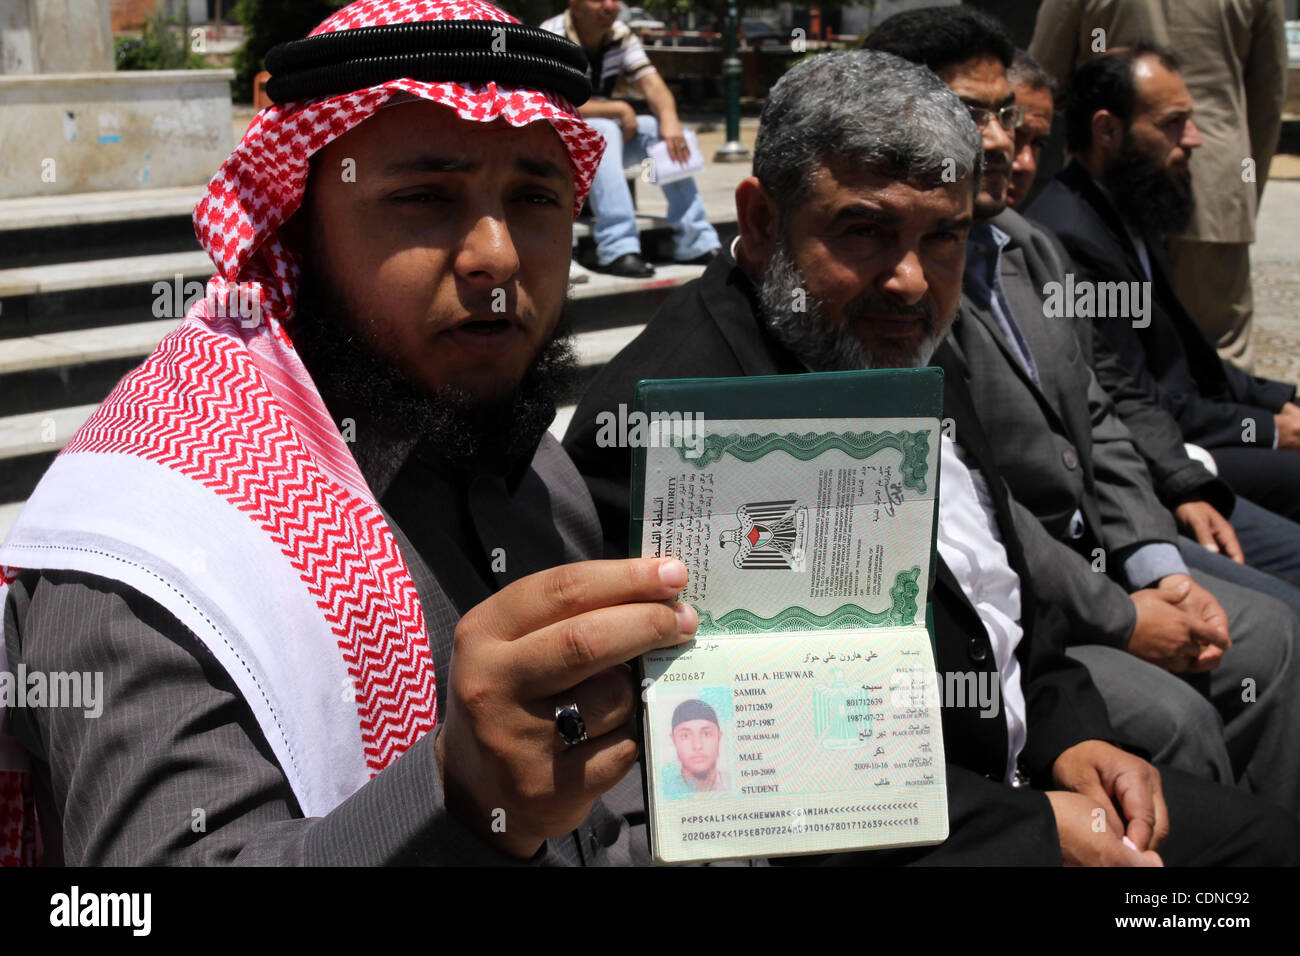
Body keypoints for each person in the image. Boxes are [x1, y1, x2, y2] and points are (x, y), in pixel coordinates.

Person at [0, 0, 706, 866]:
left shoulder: (537, 471)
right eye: (423, 197)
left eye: (534, 197)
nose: (498, 257)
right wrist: (450, 796)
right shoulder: (156, 545)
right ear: (299, 219)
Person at [565, 48, 1300, 865]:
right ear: (764, 220)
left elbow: (1005, 589)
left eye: (944, 237)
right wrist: (1039, 833)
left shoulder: (886, 338)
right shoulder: (676, 419)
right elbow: (751, 765)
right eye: (866, 231)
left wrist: (1073, 736)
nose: (911, 280)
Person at [864, 7, 1300, 814]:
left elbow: (1100, 419)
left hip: (1109, 548)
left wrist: (1153, 565)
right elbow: (976, 501)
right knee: (1178, 719)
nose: (998, 143)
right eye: (968, 116)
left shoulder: (1030, 249)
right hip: (1023, 596)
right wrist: (1124, 616)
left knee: (1274, 632)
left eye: (1005, 115)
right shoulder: (896, 286)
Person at [1008, 45, 1300, 593]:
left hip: (1185, 436)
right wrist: (1266, 431)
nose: (1194, 138)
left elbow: (1193, 357)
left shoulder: (1131, 206)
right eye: (1173, 124)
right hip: (1167, 453)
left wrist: (1279, 402)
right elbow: (1131, 396)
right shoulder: (1069, 237)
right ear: (1108, 130)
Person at [1029, 0, 1289, 373]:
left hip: (1109, 180)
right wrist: (1240, 188)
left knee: (1106, 352)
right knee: (1217, 356)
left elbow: (1044, 76)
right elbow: (1268, 94)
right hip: (1214, 185)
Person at [541, 0, 721, 277]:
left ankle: (695, 242)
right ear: (574, 3)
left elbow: (651, 82)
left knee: (658, 129)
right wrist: (617, 109)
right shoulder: (551, 35)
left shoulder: (620, 34)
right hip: (558, 143)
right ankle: (618, 248)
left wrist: (670, 123)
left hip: (603, 140)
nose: (609, 6)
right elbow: (552, 103)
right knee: (605, 129)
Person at [665, 699, 727, 796]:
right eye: (685, 736)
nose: (697, 745)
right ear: (673, 740)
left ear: (719, 737)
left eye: (706, 734)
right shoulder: (664, 790)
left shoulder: (735, 784)